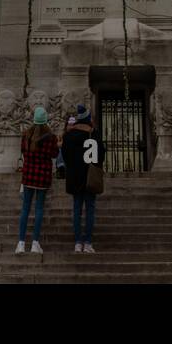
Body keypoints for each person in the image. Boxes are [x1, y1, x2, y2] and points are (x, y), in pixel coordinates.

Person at [61, 105, 106, 253]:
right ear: (88, 119)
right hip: (90, 176)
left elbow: (65, 157)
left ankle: (77, 241)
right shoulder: (95, 134)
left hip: (75, 176)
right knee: (90, 210)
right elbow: (101, 155)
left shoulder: (69, 136)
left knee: (77, 209)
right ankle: (88, 242)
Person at [15, 107, 60, 255]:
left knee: (25, 209)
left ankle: (20, 244)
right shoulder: (51, 137)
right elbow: (55, 154)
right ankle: (35, 243)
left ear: (34, 119)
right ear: (45, 120)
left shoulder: (26, 135)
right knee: (39, 209)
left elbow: (23, 152)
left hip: (28, 176)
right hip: (42, 177)